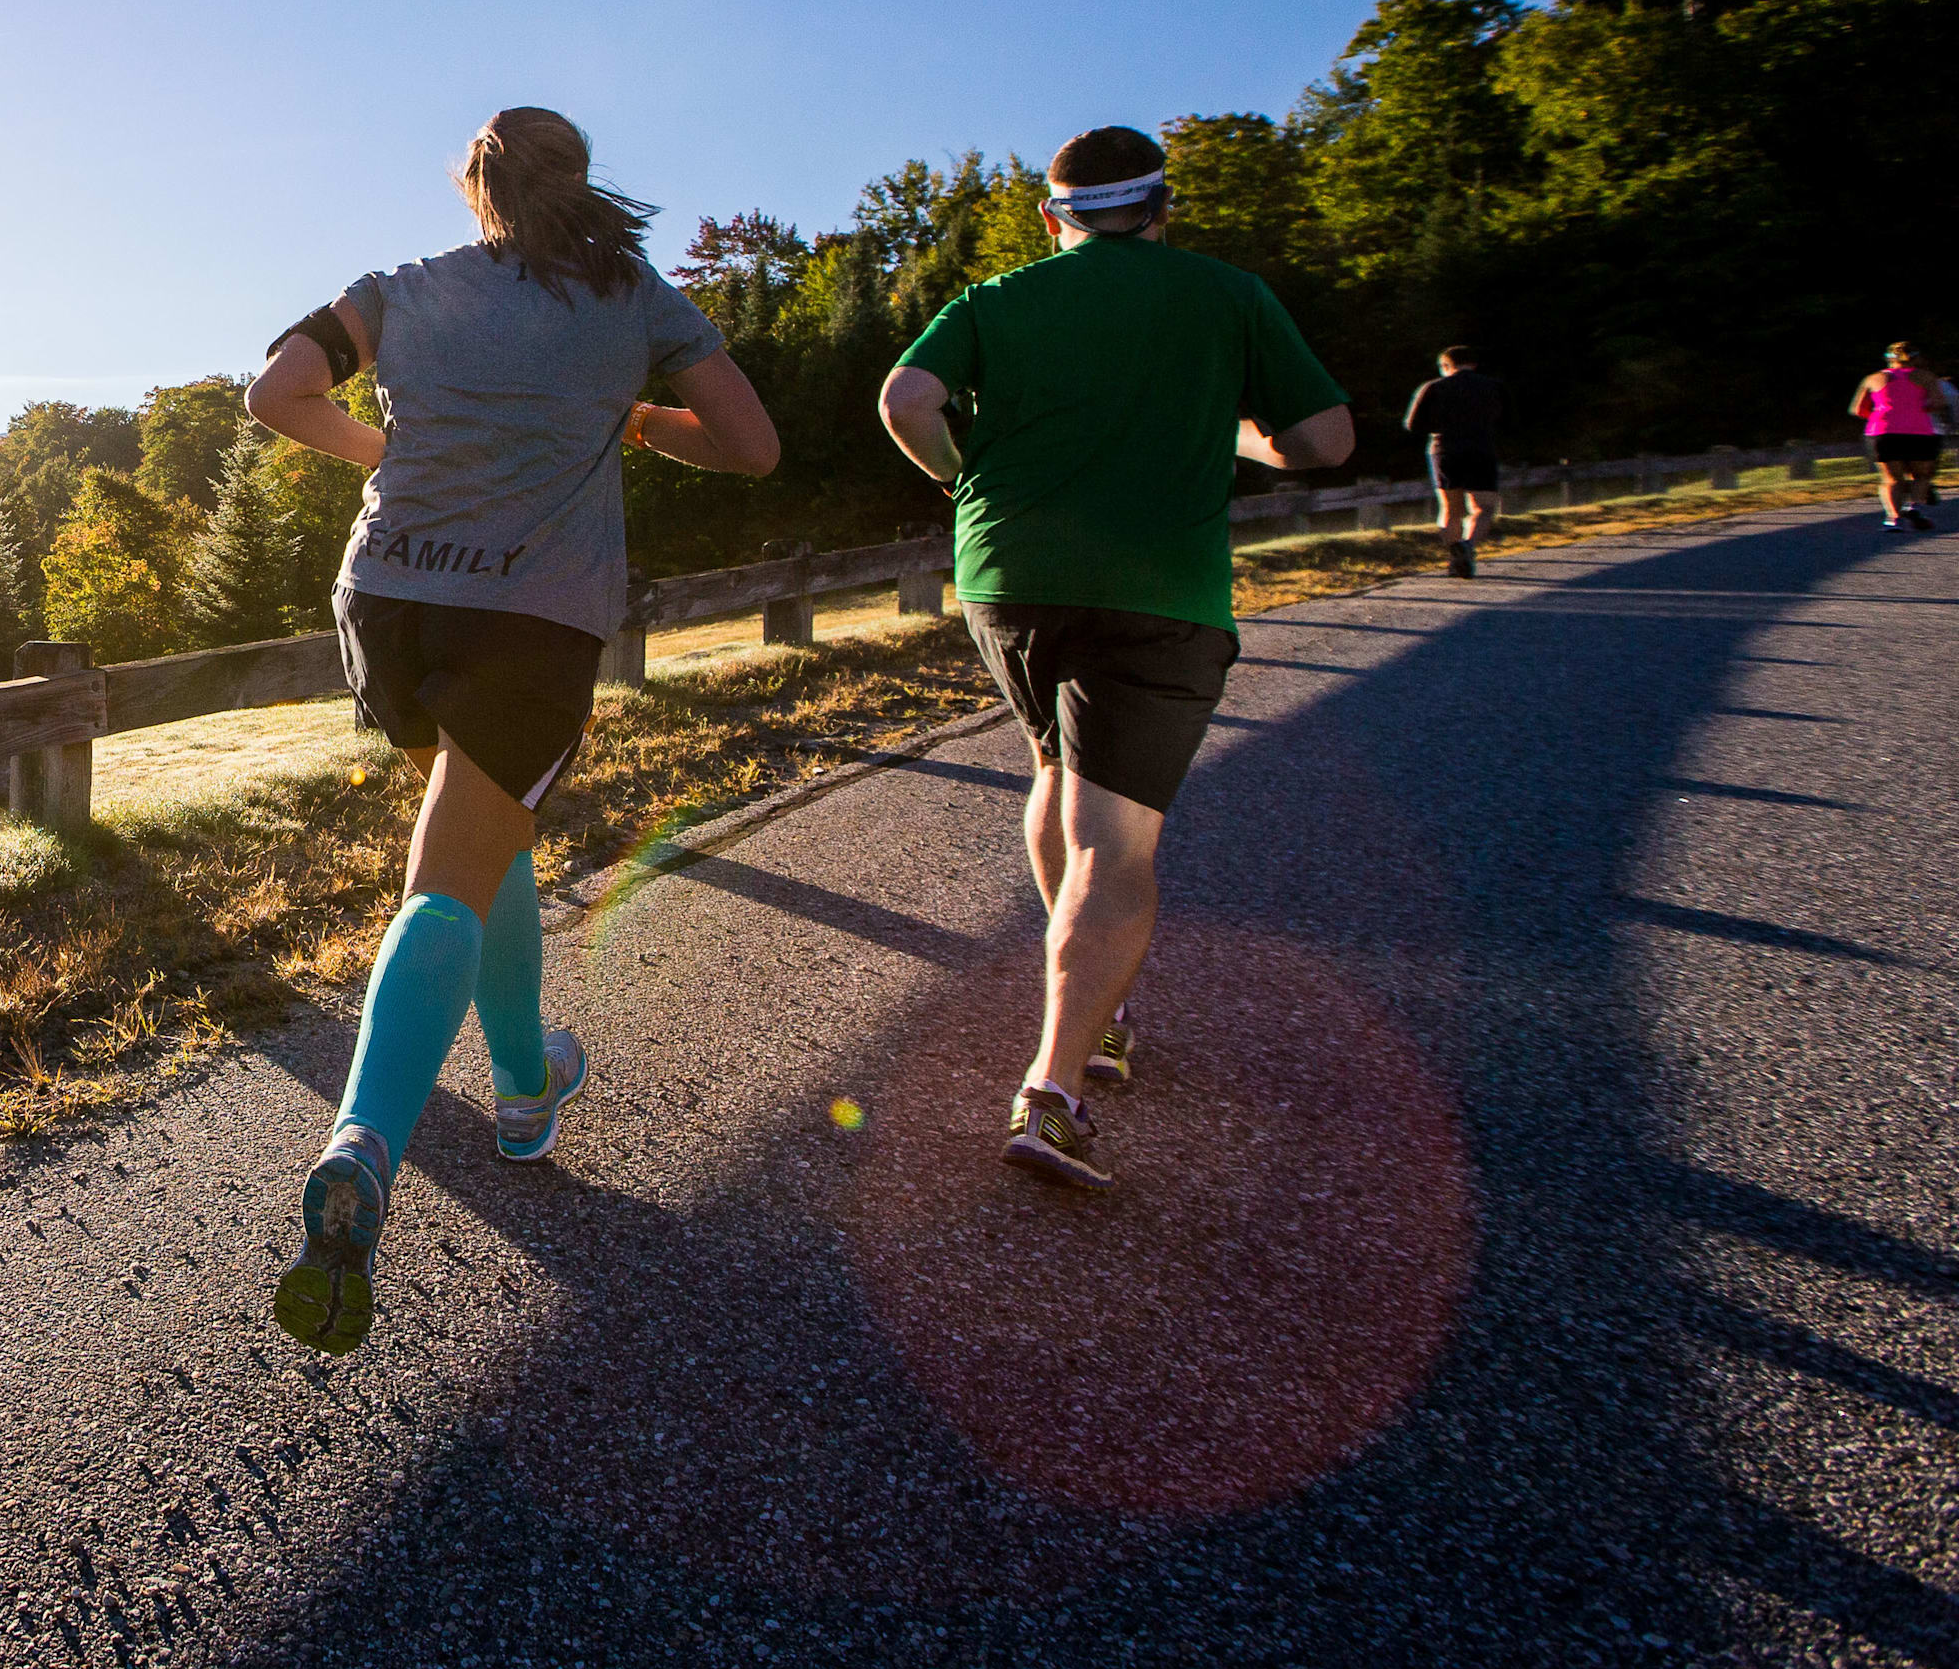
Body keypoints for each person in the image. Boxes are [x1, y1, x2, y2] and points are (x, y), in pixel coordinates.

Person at [248, 107, 778, 1352]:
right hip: (530, 617)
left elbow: (278, 388)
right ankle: (365, 1141)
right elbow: (751, 447)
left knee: (487, 835)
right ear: (579, 183)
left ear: (472, 187)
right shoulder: (635, 298)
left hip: (387, 602)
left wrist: (380, 447)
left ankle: (528, 1087)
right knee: (449, 869)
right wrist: (641, 419)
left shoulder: (403, 287)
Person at [876, 126, 1354, 1190]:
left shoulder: (997, 298)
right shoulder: (1227, 294)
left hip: (1006, 575)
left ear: (1055, 220)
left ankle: (1088, 1007)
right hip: (1155, 591)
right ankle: (1055, 1086)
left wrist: (963, 480)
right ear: (1163, 209)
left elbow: (905, 401)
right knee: (1115, 843)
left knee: (1054, 768)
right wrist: (1238, 431)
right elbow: (1326, 440)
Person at [1404, 347, 1505, 577]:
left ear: (1445, 366)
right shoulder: (1493, 386)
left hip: (1444, 450)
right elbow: (1510, 419)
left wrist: (1440, 428)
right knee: (1483, 507)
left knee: (1450, 508)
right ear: (1474, 364)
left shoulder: (1433, 387)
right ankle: (1468, 547)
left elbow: (1412, 424)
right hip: (1481, 449)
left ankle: (1454, 557)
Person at [1850, 342, 1944, 532]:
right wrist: (1919, 409)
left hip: (1883, 432)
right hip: (1919, 431)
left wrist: (1883, 416)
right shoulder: (1926, 377)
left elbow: (1858, 409)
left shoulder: (1873, 378)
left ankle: (1893, 519)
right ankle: (1915, 507)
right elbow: (1938, 402)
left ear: (1889, 359)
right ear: (1916, 358)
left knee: (1891, 479)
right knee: (1922, 475)